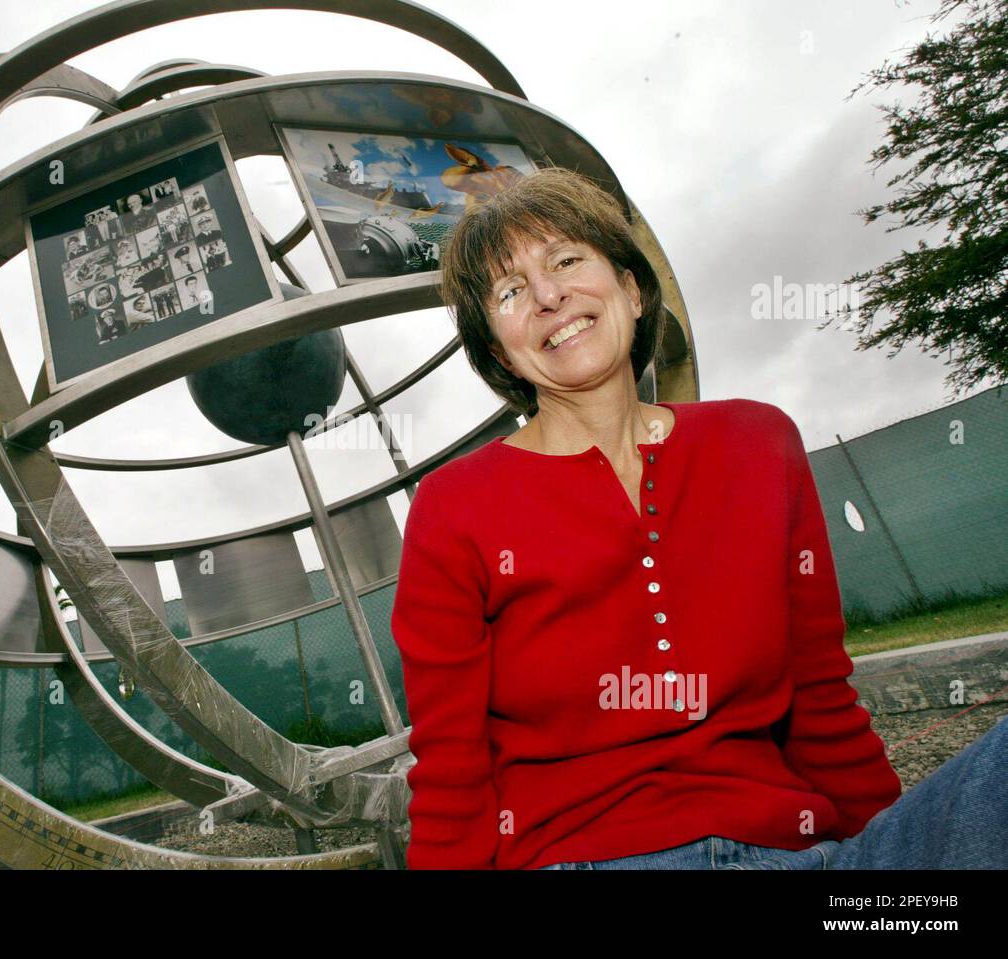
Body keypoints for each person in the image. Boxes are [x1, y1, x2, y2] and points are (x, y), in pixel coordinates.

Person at [391, 165, 1008, 871]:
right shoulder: (455, 505)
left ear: (631, 287)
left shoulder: (757, 442)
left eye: (566, 260)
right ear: (497, 350)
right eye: (510, 289)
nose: (549, 295)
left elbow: (821, 699)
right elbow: (451, 771)